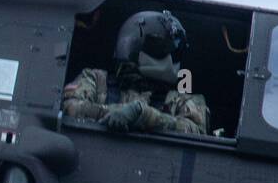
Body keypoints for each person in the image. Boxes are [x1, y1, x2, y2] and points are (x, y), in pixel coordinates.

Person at [61, 10, 209, 135]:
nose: (169, 58)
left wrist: (144, 114)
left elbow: (196, 130)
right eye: (160, 49)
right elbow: (69, 107)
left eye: (175, 52)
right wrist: (116, 112)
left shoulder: (182, 100)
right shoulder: (95, 79)